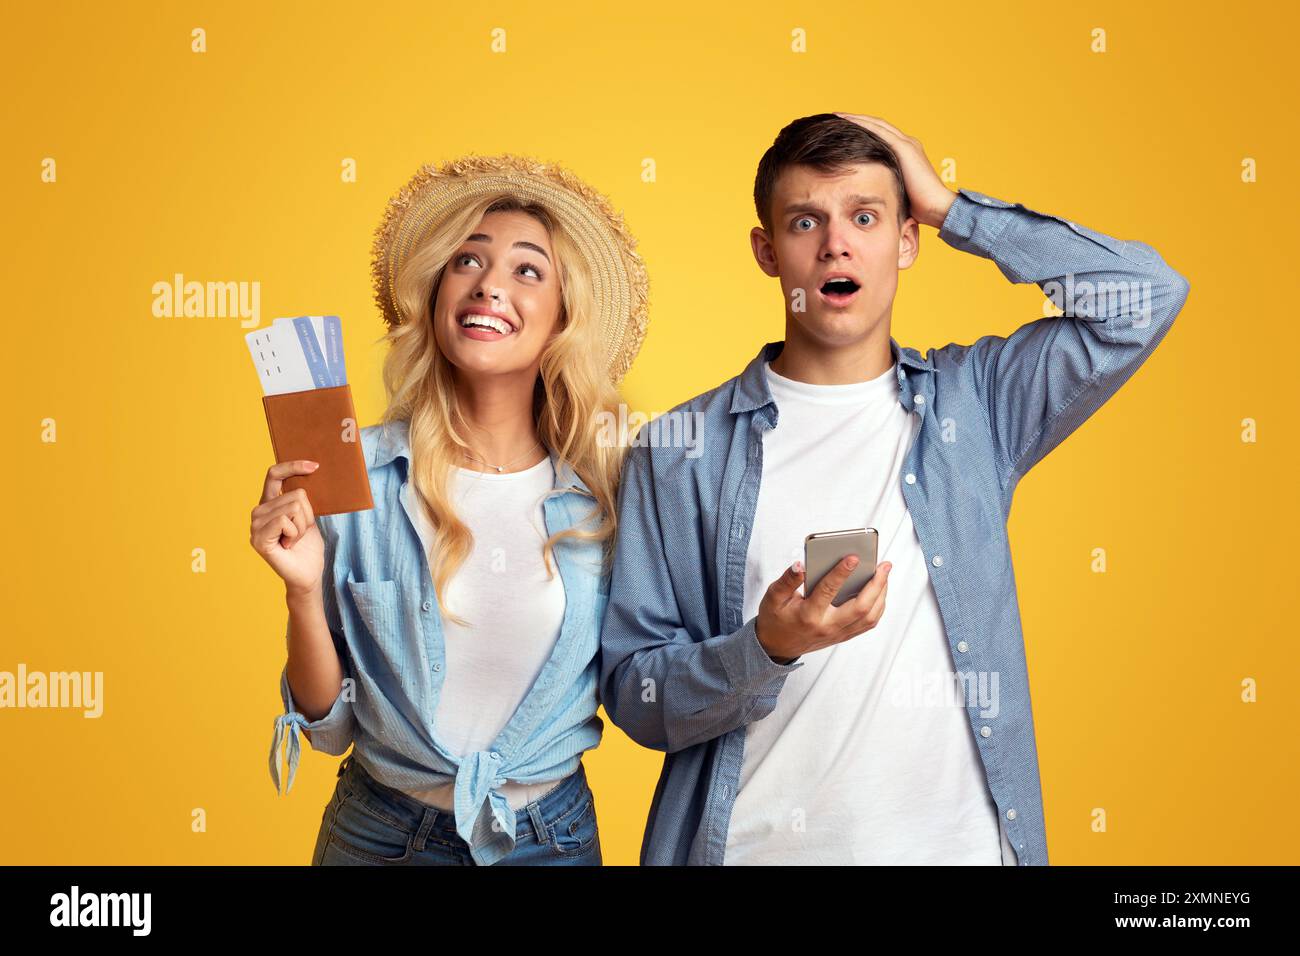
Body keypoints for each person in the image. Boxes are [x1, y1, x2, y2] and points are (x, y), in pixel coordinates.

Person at [599, 113, 1190, 865]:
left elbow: (1146, 296)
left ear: (907, 242)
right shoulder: (683, 451)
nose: (836, 244)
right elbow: (635, 692)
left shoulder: (977, 406)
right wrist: (765, 649)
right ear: (767, 252)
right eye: (804, 221)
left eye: (867, 217)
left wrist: (953, 209)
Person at [252, 154, 648, 865]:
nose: (490, 285)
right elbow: (328, 730)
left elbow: (647, 681)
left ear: (561, 318)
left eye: (527, 271)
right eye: (467, 261)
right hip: (379, 836)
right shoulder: (357, 475)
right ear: (438, 296)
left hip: (551, 842)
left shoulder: (609, 493)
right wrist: (304, 589)